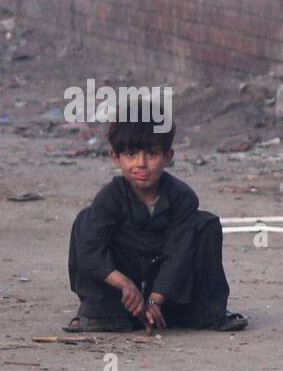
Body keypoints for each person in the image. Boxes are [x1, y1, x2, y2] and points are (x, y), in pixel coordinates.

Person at [65, 108, 245, 333]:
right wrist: (125, 285)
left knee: (206, 225)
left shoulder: (182, 197)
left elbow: (178, 253)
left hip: (167, 287)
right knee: (85, 222)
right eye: (131, 154)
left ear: (168, 156)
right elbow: (90, 251)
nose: (141, 163)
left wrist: (155, 299)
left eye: (152, 154)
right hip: (121, 289)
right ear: (115, 157)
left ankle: (205, 312)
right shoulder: (110, 197)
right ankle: (98, 313)